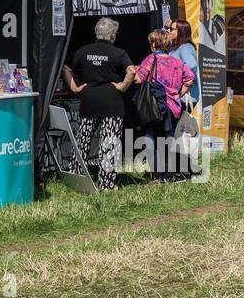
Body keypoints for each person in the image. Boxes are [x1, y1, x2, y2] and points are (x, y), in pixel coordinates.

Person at [61, 17, 136, 191]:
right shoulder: (119, 53)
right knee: (108, 142)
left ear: (97, 32)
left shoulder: (84, 51)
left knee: (83, 139)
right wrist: (123, 86)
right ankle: (106, 183)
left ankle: (76, 177)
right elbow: (132, 71)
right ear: (113, 35)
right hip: (112, 101)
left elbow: (66, 68)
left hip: (89, 99)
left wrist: (75, 88)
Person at [134, 28, 195, 181]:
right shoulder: (177, 62)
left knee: (150, 137)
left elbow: (138, 80)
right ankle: (172, 172)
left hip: (154, 107)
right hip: (173, 107)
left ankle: (157, 174)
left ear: (154, 44)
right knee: (169, 139)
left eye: (151, 42)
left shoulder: (150, 60)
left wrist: (133, 70)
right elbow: (190, 78)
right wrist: (178, 94)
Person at [170, 19, 201, 106]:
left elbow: (192, 66)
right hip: (177, 97)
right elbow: (158, 41)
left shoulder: (185, 47)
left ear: (181, 31)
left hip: (183, 98)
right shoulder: (174, 47)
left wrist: (181, 88)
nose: (170, 32)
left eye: (172, 29)